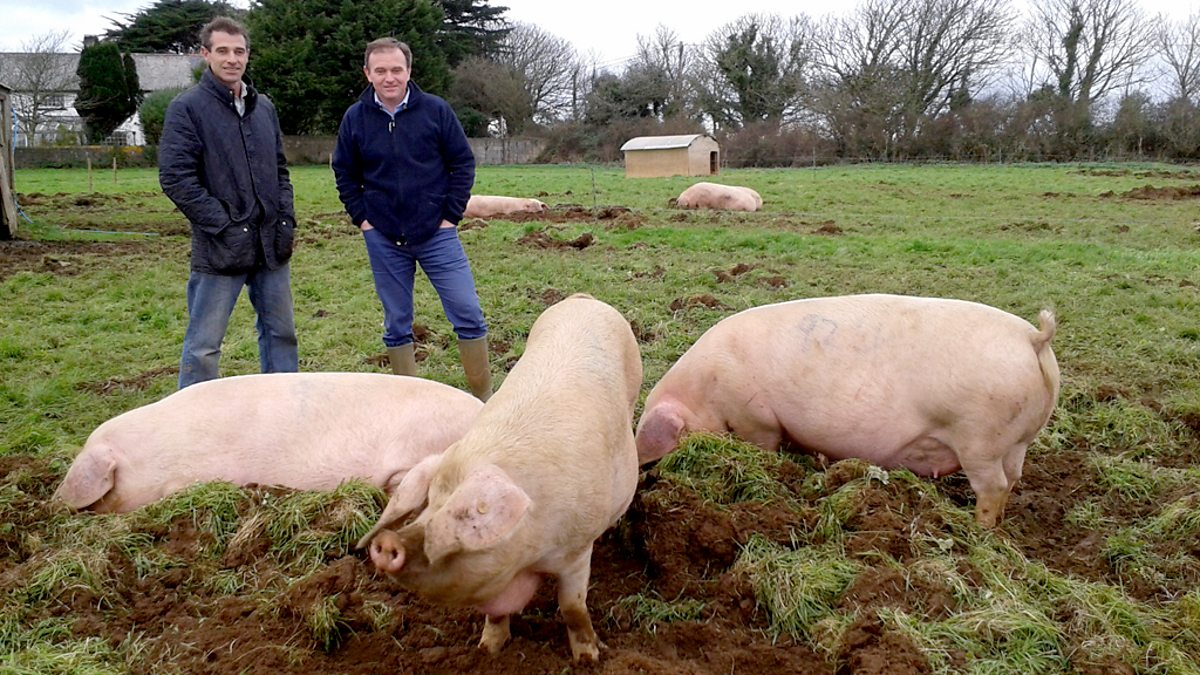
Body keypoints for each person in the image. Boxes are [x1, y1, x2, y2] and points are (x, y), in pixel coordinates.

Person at [332, 38, 491, 401]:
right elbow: (344, 170)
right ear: (368, 73)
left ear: (409, 71)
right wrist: (363, 219)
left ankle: (482, 401)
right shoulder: (355, 118)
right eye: (381, 71)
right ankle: (407, 404)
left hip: (437, 234)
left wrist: (450, 215)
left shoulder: (435, 111)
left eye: (396, 70)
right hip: (383, 236)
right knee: (397, 323)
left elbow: (462, 163)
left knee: (468, 313)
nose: (390, 77)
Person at [159, 16, 298, 389]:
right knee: (204, 346)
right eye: (222, 51)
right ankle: (193, 421)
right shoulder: (187, 108)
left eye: (239, 51)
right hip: (220, 247)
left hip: (271, 245)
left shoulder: (263, 107)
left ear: (248, 56)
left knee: (281, 336)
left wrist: (285, 220)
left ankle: (283, 410)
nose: (232, 59)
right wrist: (223, 224)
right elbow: (175, 178)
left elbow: (280, 170)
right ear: (205, 54)